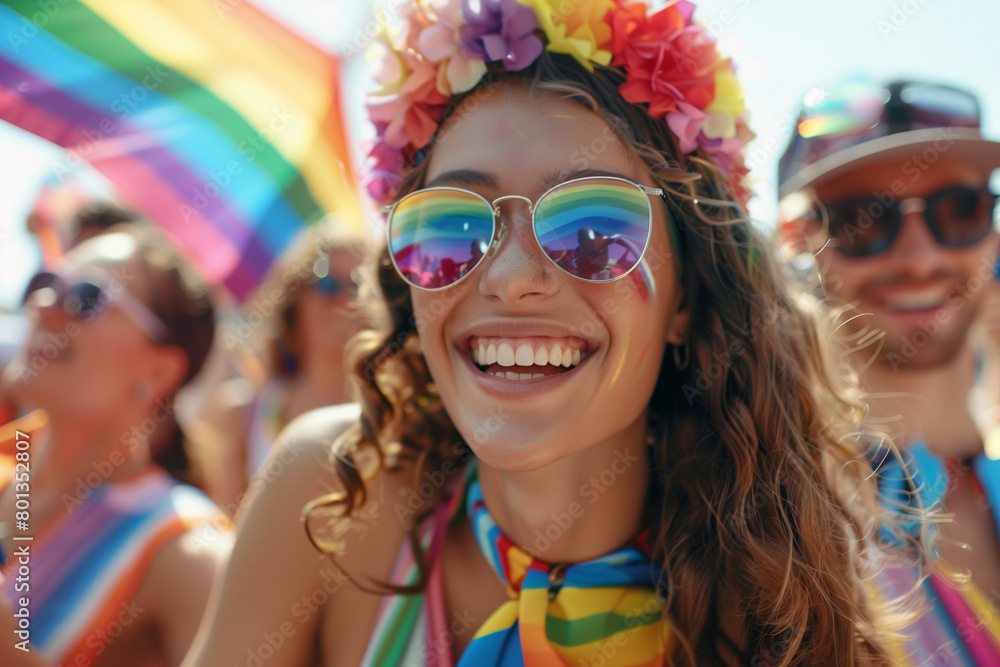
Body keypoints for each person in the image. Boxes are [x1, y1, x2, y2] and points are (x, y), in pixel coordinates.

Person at [183, 2, 917, 665]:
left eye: (593, 226)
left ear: (687, 296)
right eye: (451, 225)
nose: (509, 278)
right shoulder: (334, 498)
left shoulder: (779, 609)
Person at [777, 76, 1000, 662]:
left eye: (960, 211)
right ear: (796, 243)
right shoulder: (776, 526)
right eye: (866, 221)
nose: (921, 258)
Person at [0, 223, 233, 667]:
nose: (44, 306)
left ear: (159, 372)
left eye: (86, 298)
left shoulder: (186, 551)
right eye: (47, 283)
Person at [189, 227, 366, 512]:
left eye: (360, 286)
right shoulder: (240, 415)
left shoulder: (396, 419)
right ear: (296, 299)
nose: (345, 301)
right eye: (327, 284)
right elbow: (224, 525)